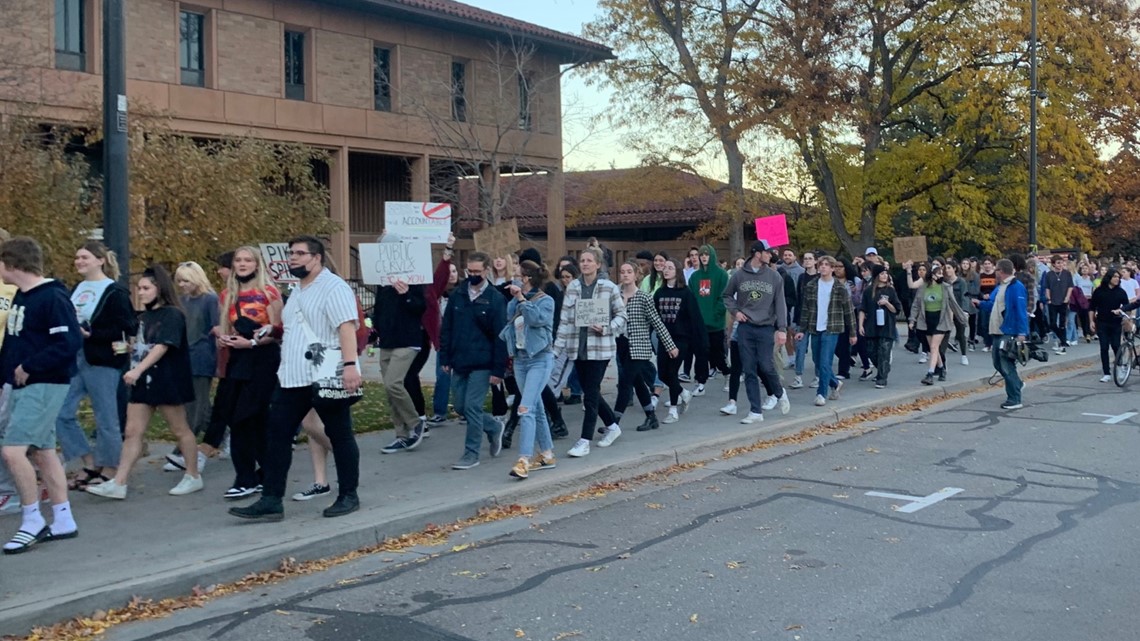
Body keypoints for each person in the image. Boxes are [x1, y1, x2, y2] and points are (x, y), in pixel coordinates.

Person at [229, 236, 363, 521]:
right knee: (276, 436)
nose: (293, 258)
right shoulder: (296, 291)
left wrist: (350, 365)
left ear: (317, 257)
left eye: (300, 253)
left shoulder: (333, 287)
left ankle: (348, 494)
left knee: (339, 434)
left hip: (326, 375)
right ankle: (271, 500)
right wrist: (272, 332)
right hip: (292, 377)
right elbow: (295, 329)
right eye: (291, 253)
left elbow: (347, 328)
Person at [87, 265, 202, 500]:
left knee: (179, 428)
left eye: (146, 288)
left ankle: (192, 474)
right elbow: (145, 345)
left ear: (159, 289)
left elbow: (162, 346)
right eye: (139, 288)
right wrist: (128, 349)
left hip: (166, 379)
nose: (140, 292)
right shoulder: (143, 317)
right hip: (142, 381)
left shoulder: (173, 314)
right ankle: (119, 482)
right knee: (132, 431)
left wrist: (137, 370)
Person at [0, 237, 82, 553]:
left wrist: (30, 366)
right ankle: (63, 518)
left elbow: (68, 343)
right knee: (43, 451)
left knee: (12, 451)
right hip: (23, 385)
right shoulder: (22, 296)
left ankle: (31, 518)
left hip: (45, 384)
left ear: (12, 264)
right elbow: (13, 343)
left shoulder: (52, 297)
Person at [54, 241, 136, 490]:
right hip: (75, 356)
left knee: (106, 416)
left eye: (85, 257)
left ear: (101, 260)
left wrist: (93, 334)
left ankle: (111, 467)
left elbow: (128, 326)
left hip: (101, 359)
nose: (79, 262)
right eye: (77, 257)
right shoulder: (77, 288)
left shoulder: (114, 291)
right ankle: (89, 461)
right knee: (61, 412)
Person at [206, 247, 283, 500]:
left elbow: (278, 331)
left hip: (263, 359)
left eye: (247, 260)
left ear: (257, 264)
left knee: (245, 417)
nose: (242, 264)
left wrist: (251, 343)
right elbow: (227, 327)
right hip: (237, 360)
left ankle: (246, 477)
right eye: (238, 260)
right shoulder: (228, 294)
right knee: (247, 419)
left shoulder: (268, 293)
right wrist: (224, 339)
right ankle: (265, 472)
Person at [554, 248, 626, 457]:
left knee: (591, 395)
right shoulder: (574, 287)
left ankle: (584, 440)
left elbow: (622, 316)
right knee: (590, 391)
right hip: (578, 348)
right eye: (582, 261)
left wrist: (606, 328)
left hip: (600, 350)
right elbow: (565, 320)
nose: (585, 264)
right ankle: (612, 425)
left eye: (589, 261)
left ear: (597, 264)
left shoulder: (609, 288)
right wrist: (556, 350)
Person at [440, 251, 508, 470]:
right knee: (461, 406)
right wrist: (445, 356)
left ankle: (471, 453)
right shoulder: (459, 294)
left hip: (482, 362)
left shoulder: (495, 299)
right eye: (470, 271)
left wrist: (498, 370)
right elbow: (447, 328)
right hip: (459, 360)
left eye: (478, 271)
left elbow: (501, 336)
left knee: (472, 405)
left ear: (487, 270)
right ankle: (493, 427)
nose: (473, 275)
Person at [499, 260, 557, 479]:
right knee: (536, 407)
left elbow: (536, 320)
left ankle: (523, 459)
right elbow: (513, 326)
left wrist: (522, 299)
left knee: (525, 409)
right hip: (521, 360)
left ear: (526, 278)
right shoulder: (513, 303)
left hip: (540, 359)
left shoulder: (546, 300)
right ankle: (547, 454)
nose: (513, 278)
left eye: (517, 275)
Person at [721, 240, 790, 425]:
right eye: (768, 252)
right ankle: (755, 411)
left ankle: (779, 392)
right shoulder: (739, 275)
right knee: (749, 369)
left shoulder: (775, 277)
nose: (770, 255)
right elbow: (727, 295)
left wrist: (782, 329)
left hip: (766, 327)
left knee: (766, 366)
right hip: (745, 328)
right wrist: (736, 312)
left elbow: (780, 304)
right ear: (757, 254)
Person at [374, 233, 429, 455]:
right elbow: (380, 309)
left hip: (407, 340)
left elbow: (420, 307)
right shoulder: (381, 280)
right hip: (387, 340)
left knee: (394, 384)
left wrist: (406, 294)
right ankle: (401, 435)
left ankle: (415, 422)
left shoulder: (414, 277)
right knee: (389, 390)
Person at [165, 261, 219, 470]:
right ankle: (222, 432)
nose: (182, 285)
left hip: (202, 356)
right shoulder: (182, 300)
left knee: (195, 406)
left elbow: (215, 328)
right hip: (184, 356)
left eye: (186, 280)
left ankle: (183, 450)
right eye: (179, 281)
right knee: (201, 405)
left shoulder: (209, 299)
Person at [615, 260, 676, 430]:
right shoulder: (616, 296)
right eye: (622, 271)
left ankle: (613, 423)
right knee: (638, 382)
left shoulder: (643, 297)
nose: (625, 274)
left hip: (639, 346)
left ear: (636, 275)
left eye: (629, 272)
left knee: (625, 382)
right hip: (621, 344)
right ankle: (651, 417)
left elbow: (657, 322)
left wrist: (670, 346)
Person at [794, 257, 856, 406]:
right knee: (817, 360)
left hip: (832, 327)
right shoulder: (811, 285)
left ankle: (821, 393)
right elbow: (805, 309)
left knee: (824, 361)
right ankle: (834, 383)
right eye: (821, 265)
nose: (823, 267)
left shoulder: (839, 288)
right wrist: (801, 329)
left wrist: (853, 332)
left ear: (832, 268)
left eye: (827, 265)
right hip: (815, 328)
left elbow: (848, 311)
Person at [654, 258, 706, 424]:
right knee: (662, 373)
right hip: (664, 339)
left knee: (672, 372)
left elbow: (694, 318)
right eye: (665, 268)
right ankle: (684, 393)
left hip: (681, 339)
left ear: (677, 271)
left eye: (670, 268)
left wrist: (699, 341)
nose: (666, 270)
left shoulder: (686, 293)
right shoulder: (659, 293)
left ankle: (673, 410)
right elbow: (654, 317)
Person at [978, 259, 1028, 410]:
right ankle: (1017, 384)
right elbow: (994, 305)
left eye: (996, 270)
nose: (995, 273)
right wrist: (980, 304)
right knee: (997, 362)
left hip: (1009, 330)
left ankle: (1014, 398)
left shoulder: (1015, 287)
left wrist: (1022, 332)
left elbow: (1020, 309)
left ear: (1001, 271)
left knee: (1006, 364)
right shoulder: (1001, 287)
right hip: (997, 330)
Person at [909, 264, 968, 385]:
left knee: (934, 347)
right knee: (933, 348)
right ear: (932, 275)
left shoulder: (946, 287)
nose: (942, 275)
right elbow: (916, 305)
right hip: (927, 321)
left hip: (941, 321)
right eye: (939, 273)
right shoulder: (923, 287)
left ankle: (930, 373)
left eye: (942, 273)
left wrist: (962, 317)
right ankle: (941, 369)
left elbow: (953, 303)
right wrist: (912, 320)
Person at [425, 236, 458, 425]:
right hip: (444, 342)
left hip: (462, 341)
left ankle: (463, 408)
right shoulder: (435, 295)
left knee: (462, 378)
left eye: (455, 271)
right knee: (442, 376)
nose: (452, 274)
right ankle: (440, 411)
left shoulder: (464, 292)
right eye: (449, 271)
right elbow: (440, 275)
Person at [688, 244, 730, 394]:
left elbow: (723, 297)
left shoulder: (721, 275)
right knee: (700, 354)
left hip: (715, 324)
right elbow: (691, 298)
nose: (704, 257)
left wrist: (715, 315)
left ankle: (727, 374)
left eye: (706, 254)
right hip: (699, 325)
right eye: (701, 254)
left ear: (712, 256)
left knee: (717, 354)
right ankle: (700, 383)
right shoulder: (694, 277)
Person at [859, 264, 902, 388]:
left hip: (887, 327)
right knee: (871, 351)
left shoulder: (890, 290)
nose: (885, 276)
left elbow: (896, 310)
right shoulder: (868, 291)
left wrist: (887, 303)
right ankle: (884, 368)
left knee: (884, 352)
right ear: (877, 275)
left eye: (886, 274)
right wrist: (861, 325)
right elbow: (863, 309)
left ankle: (882, 377)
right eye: (882, 274)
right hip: (872, 326)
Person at [1089, 269, 1129, 383]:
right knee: (1104, 347)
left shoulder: (1121, 292)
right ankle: (1106, 372)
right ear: (1109, 278)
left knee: (1116, 346)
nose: (1117, 279)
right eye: (1115, 277)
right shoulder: (1099, 291)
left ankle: (1120, 366)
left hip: (1116, 322)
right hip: (1102, 322)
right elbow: (1092, 307)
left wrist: (1125, 317)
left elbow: (1126, 306)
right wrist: (1091, 321)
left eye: (1118, 277)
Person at [789, 251, 818, 389]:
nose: (807, 261)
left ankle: (818, 376)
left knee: (816, 349)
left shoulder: (820, 277)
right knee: (800, 347)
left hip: (817, 317)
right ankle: (798, 376)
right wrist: (796, 318)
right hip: (802, 317)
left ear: (815, 261)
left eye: (810, 259)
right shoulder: (801, 277)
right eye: (805, 259)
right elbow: (798, 298)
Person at [1043, 255, 1074, 354]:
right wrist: (1048, 298)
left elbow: (1070, 286)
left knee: (1062, 323)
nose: (1060, 265)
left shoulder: (1067, 274)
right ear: (1053, 264)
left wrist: (1067, 297)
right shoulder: (1049, 274)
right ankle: (1063, 340)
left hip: (1063, 301)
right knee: (1052, 323)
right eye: (1058, 263)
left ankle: (1062, 344)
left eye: (1061, 263)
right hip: (1053, 301)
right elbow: (1047, 287)